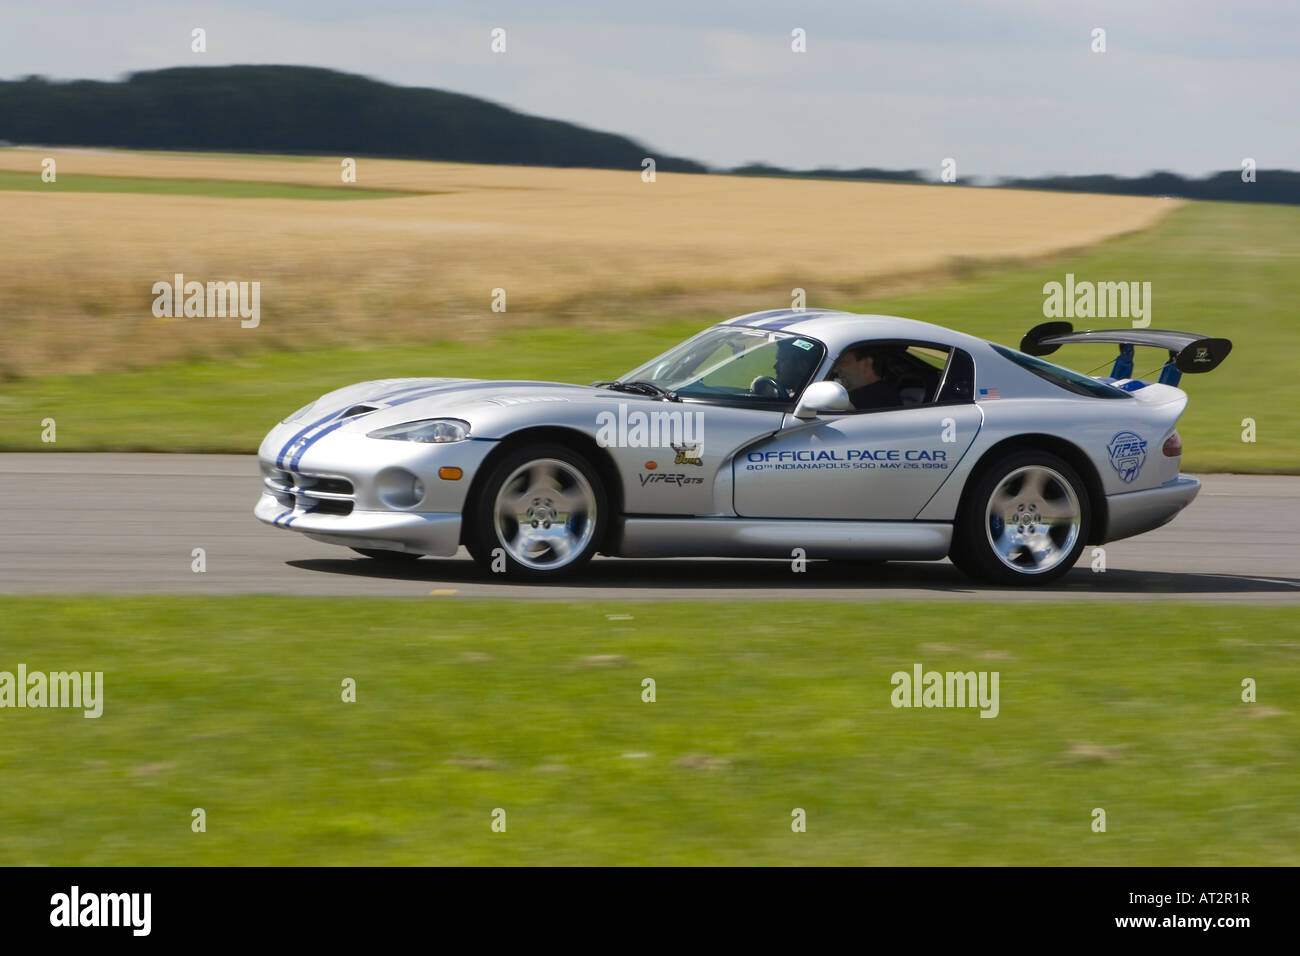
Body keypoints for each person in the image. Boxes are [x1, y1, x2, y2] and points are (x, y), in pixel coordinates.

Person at [831, 345, 901, 410]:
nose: (835, 370)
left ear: (866, 364)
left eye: (842, 362)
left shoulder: (875, 398)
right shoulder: (888, 392)